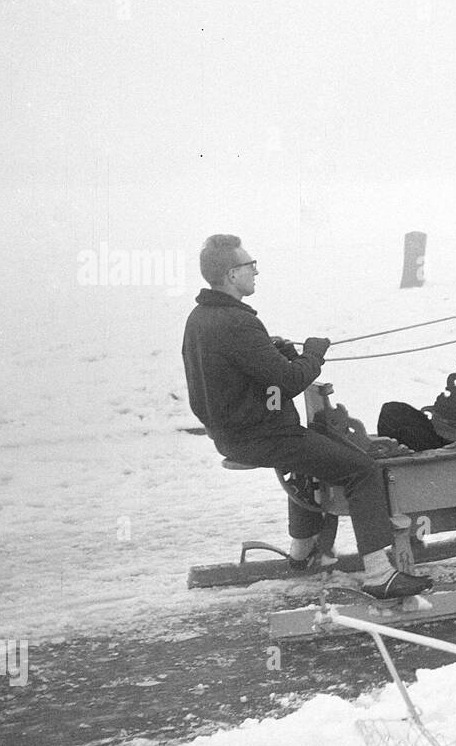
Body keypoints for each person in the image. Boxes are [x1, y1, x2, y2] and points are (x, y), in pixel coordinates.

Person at [181, 234, 432, 601]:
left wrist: (275, 352)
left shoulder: (201, 317)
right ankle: (380, 574)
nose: (255, 271)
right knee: (361, 468)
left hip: (232, 432)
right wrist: (313, 356)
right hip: (261, 435)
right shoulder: (237, 322)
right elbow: (289, 381)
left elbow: (248, 370)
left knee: (311, 458)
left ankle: (302, 554)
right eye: (250, 265)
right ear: (232, 275)